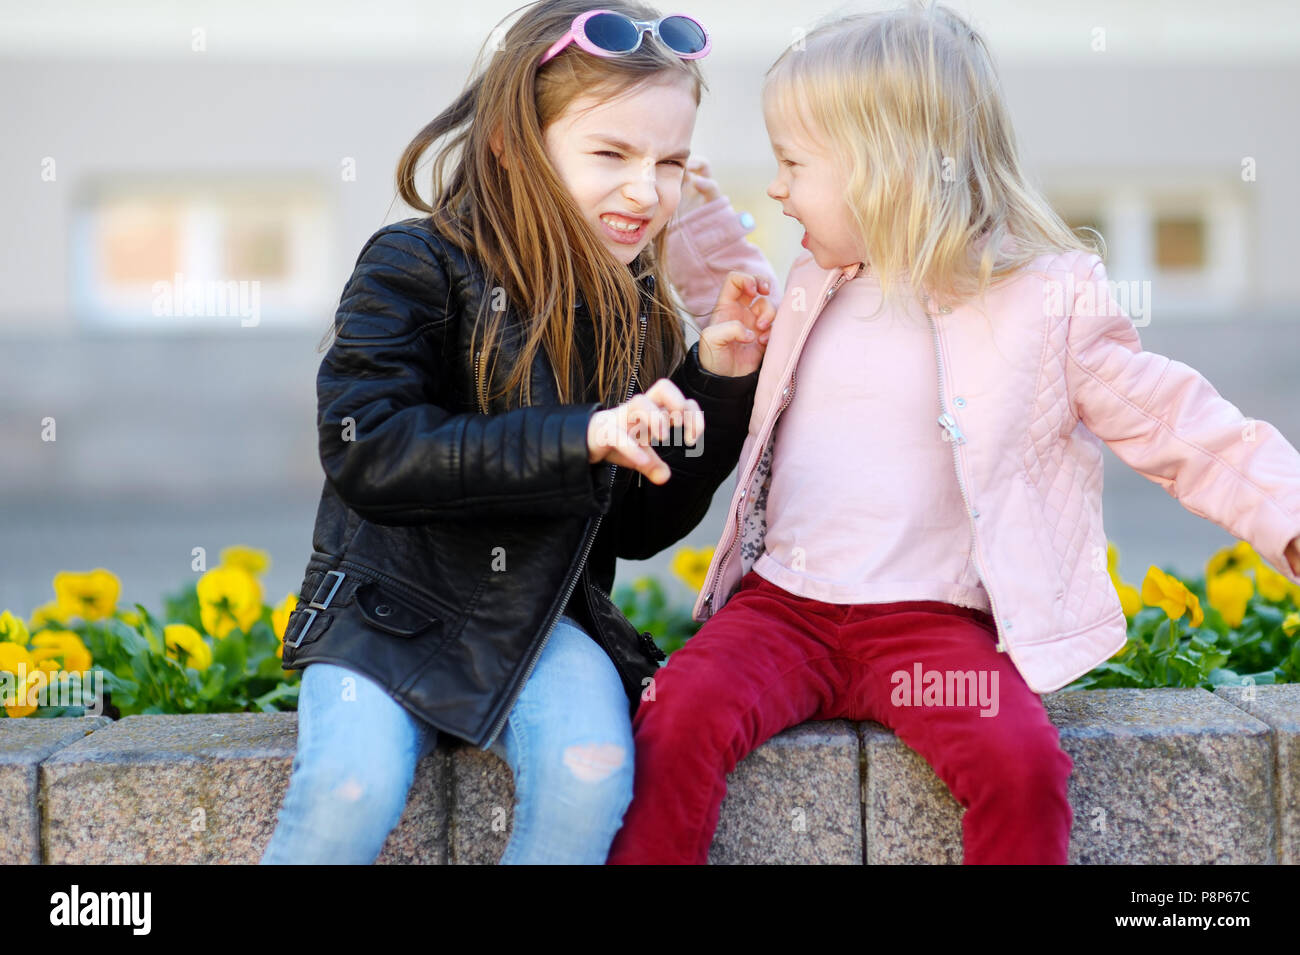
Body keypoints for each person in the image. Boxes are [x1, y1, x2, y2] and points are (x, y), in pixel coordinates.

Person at [607, 1, 1300, 865]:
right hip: (782, 612)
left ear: (883, 166)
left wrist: (1285, 511)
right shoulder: (817, 280)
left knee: (1020, 765)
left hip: (930, 629)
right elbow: (736, 289)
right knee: (672, 720)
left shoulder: (1041, 302)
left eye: (792, 163)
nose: (777, 188)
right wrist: (700, 216)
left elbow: (1176, 419)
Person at [260, 0, 776, 865]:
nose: (645, 191)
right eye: (611, 153)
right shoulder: (412, 262)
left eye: (671, 161)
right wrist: (578, 436)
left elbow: (639, 527)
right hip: (387, 609)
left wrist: (715, 380)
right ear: (513, 141)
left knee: (592, 769)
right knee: (351, 784)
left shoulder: (637, 304)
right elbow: (370, 449)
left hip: (542, 619)